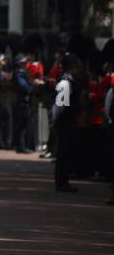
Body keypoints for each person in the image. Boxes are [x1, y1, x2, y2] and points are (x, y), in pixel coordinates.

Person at [53, 55, 79, 192]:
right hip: (65, 121)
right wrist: (56, 118)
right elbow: (60, 105)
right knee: (63, 152)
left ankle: (63, 181)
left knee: (66, 151)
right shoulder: (65, 82)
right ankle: (61, 182)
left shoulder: (68, 81)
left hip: (67, 120)